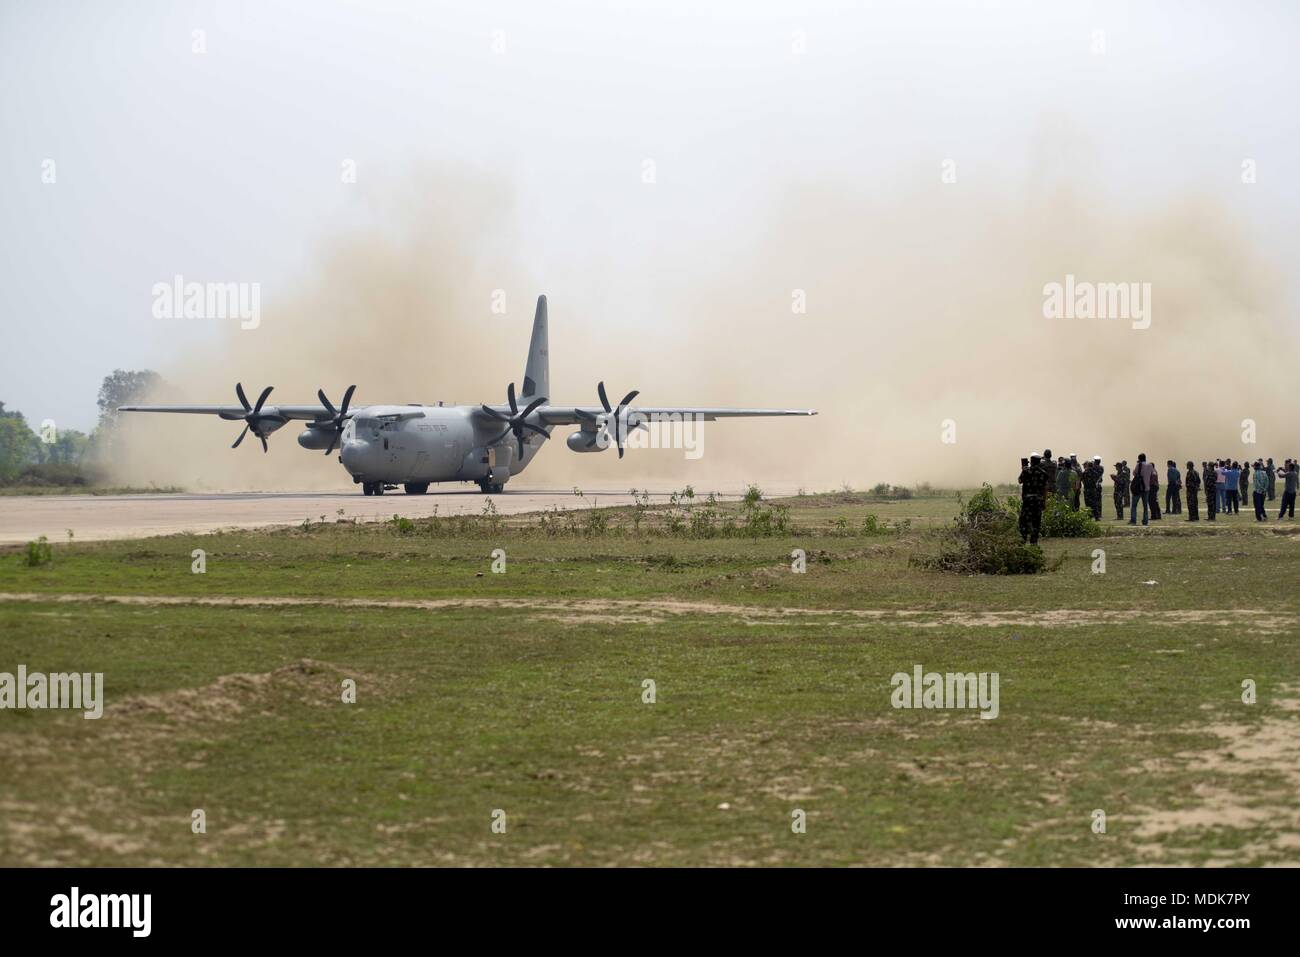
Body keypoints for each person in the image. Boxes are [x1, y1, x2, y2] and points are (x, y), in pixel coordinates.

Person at [1018, 454, 1048, 544]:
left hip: (1028, 500)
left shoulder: (1026, 471)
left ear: (1031, 461)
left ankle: (1023, 539)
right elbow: (1045, 489)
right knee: (1036, 522)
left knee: (1023, 521)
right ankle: (1034, 542)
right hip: (1038, 500)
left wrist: (1023, 469)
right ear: (1039, 462)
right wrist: (1044, 502)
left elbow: (1020, 481)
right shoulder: (1043, 473)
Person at [1129, 453, 1152, 526]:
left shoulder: (1139, 465)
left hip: (1138, 488)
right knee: (1145, 506)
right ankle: (1145, 521)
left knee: (1134, 505)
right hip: (1147, 488)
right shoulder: (1150, 465)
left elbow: (1134, 473)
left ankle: (1133, 520)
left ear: (1139, 458)